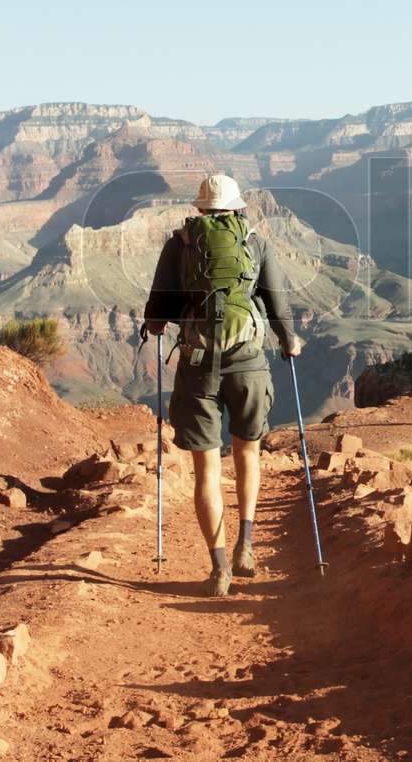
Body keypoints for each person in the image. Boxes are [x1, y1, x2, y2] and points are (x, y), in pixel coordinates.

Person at [142, 174, 301, 596]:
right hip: (248, 364)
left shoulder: (180, 244)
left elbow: (157, 311)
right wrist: (289, 341)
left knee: (206, 471)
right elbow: (277, 301)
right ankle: (246, 546)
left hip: (198, 367)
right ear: (236, 207)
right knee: (248, 453)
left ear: (200, 208)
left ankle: (218, 569)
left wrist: (159, 324)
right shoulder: (255, 242)